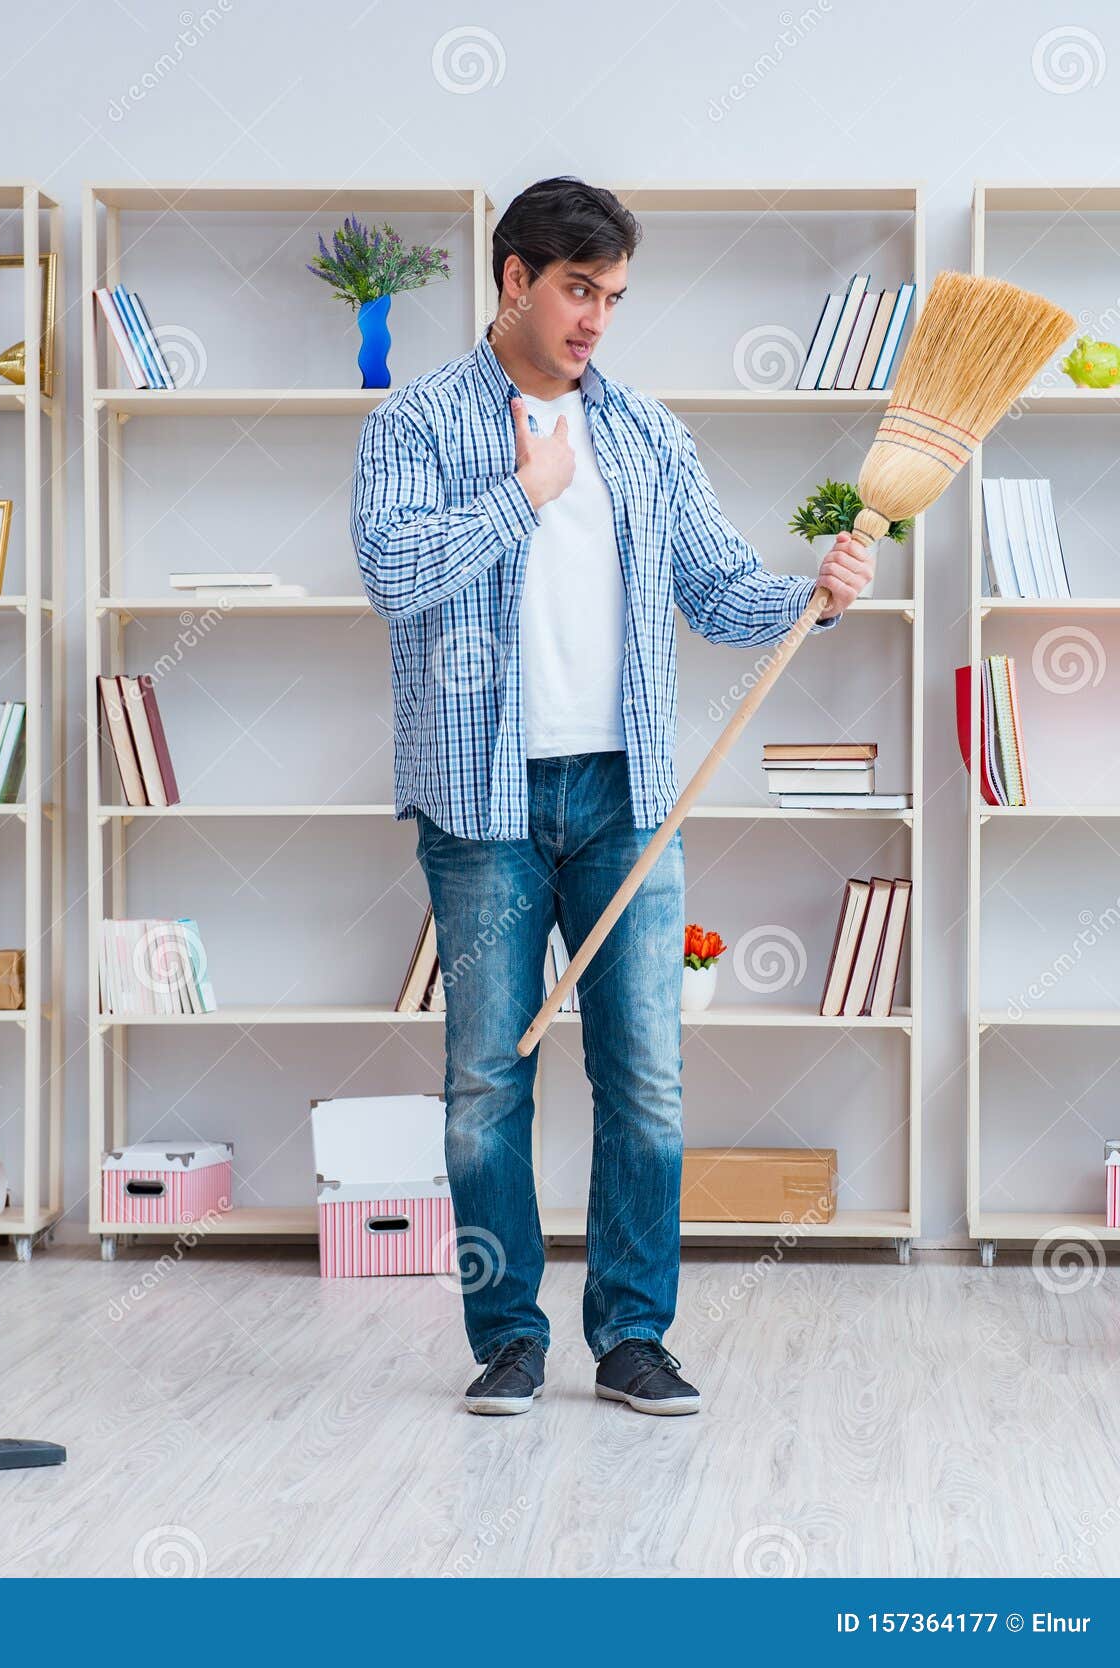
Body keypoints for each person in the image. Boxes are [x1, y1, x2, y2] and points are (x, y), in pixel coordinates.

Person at [350, 177, 873, 1418]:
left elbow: (717, 589)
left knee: (643, 1077)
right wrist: (519, 493)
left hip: (626, 792)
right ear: (514, 278)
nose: (595, 319)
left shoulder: (643, 432)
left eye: (614, 296)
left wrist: (816, 591)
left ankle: (632, 1335)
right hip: (479, 801)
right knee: (486, 1079)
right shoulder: (417, 424)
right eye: (579, 290)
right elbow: (390, 573)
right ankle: (508, 1342)